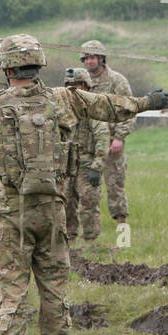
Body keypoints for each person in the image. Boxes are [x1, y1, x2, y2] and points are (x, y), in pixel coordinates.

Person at [0, 34, 168, 335]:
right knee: (54, 287)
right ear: (39, 64)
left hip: (9, 214)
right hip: (52, 210)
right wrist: (148, 101)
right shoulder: (62, 99)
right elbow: (107, 105)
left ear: (5, 67)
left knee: (13, 290)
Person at [79, 39, 134, 225]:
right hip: (87, 144)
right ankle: (88, 235)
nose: (89, 62)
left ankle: (123, 234)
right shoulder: (81, 81)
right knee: (84, 191)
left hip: (111, 143)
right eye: (85, 58)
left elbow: (129, 109)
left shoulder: (116, 81)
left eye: (92, 57)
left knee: (115, 187)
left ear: (101, 58)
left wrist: (119, 137)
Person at [61, 67, 110, 244]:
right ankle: (69, 241)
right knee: (65, 204)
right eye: (69, 86)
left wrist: (97, 167)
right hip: (66, 165)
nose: (73, 90)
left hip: (87, 163)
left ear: (86, 86)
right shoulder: (62, 110)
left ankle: (91, 242)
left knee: (89, 202)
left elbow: (103, 139)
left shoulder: (93, 109)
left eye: (77, 85)